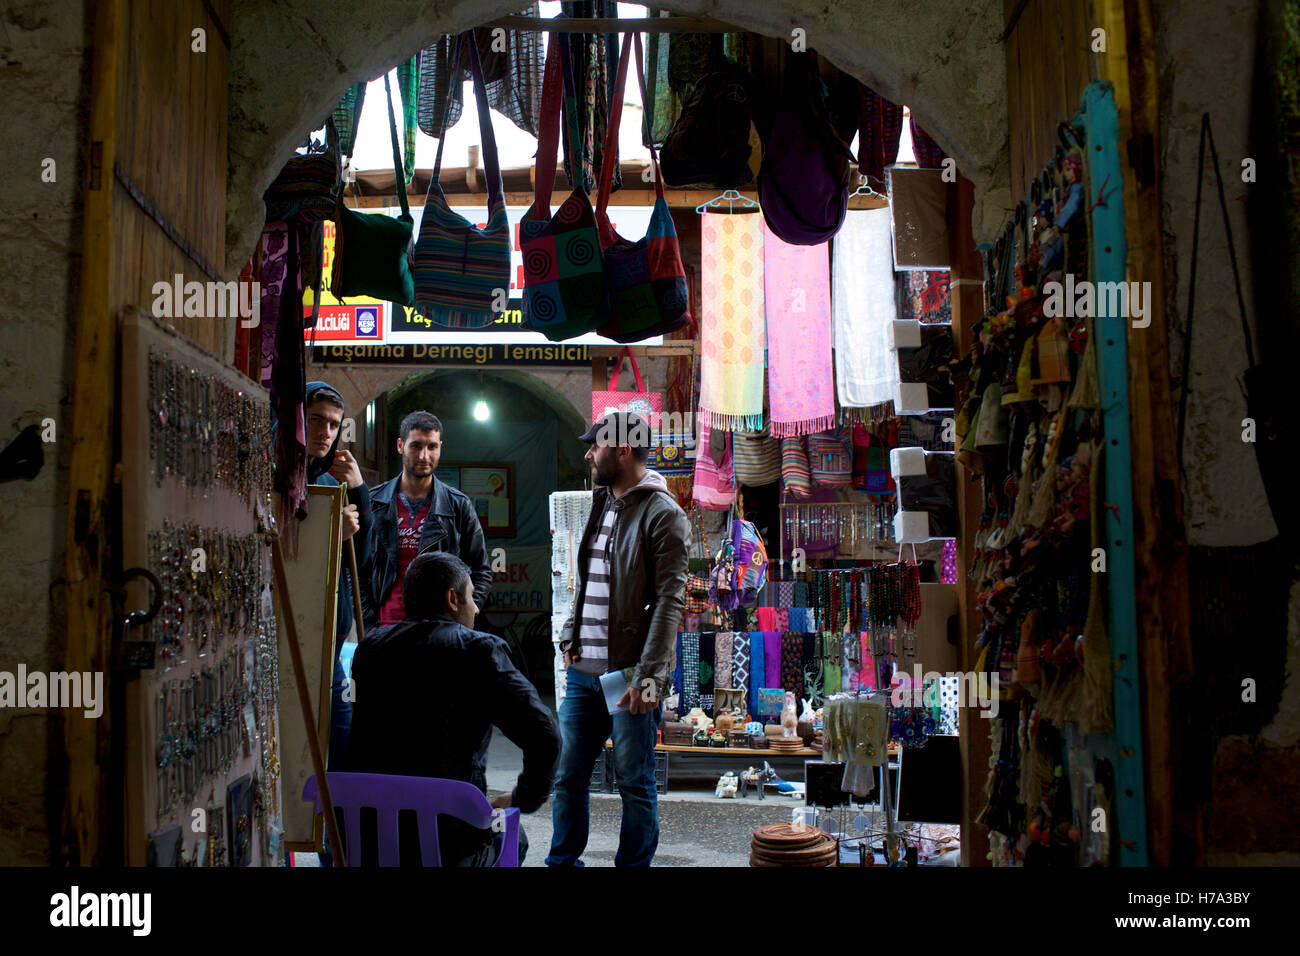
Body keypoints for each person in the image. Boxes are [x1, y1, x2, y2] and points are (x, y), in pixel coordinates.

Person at [344, 551, 560, 866]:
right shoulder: (480, 652)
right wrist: (523, 797)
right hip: (451, 845)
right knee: (512, 834)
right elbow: (545, 736)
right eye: (471, 597)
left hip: (374, 842)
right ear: (452, 599)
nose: (477, 608)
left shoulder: (369, 651)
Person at [547, 411, 690, 867]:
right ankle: (562, 862)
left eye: (596, 445)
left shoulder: (664, 515)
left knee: (634, 782)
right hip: (583, 673)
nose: (589, 454)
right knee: (568, 777)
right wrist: (570, 636)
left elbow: (670, 601)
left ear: (623, 450)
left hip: (630, 675)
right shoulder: (601, 502)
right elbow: (587, 579)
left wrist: (650, 677)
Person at [365, 411, 493, 632]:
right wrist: (368, 623)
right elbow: (355, 569)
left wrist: (463, 617)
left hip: (441, 630)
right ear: (400, 446)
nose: (424, 456)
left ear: (440, 447)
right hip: (386, 629)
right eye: (416, 446)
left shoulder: (458, 506)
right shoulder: (374, 502)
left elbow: (481, 571)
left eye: (432, 447)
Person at [304, 380, 372, 768]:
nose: (325, 432)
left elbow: (360, 557)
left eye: (333, 424)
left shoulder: (332, 482)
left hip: (331, 646)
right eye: (316, 420)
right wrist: (330, 533)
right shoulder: (280, 477)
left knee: (344, 744)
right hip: (297, 638)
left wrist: (359, 488)